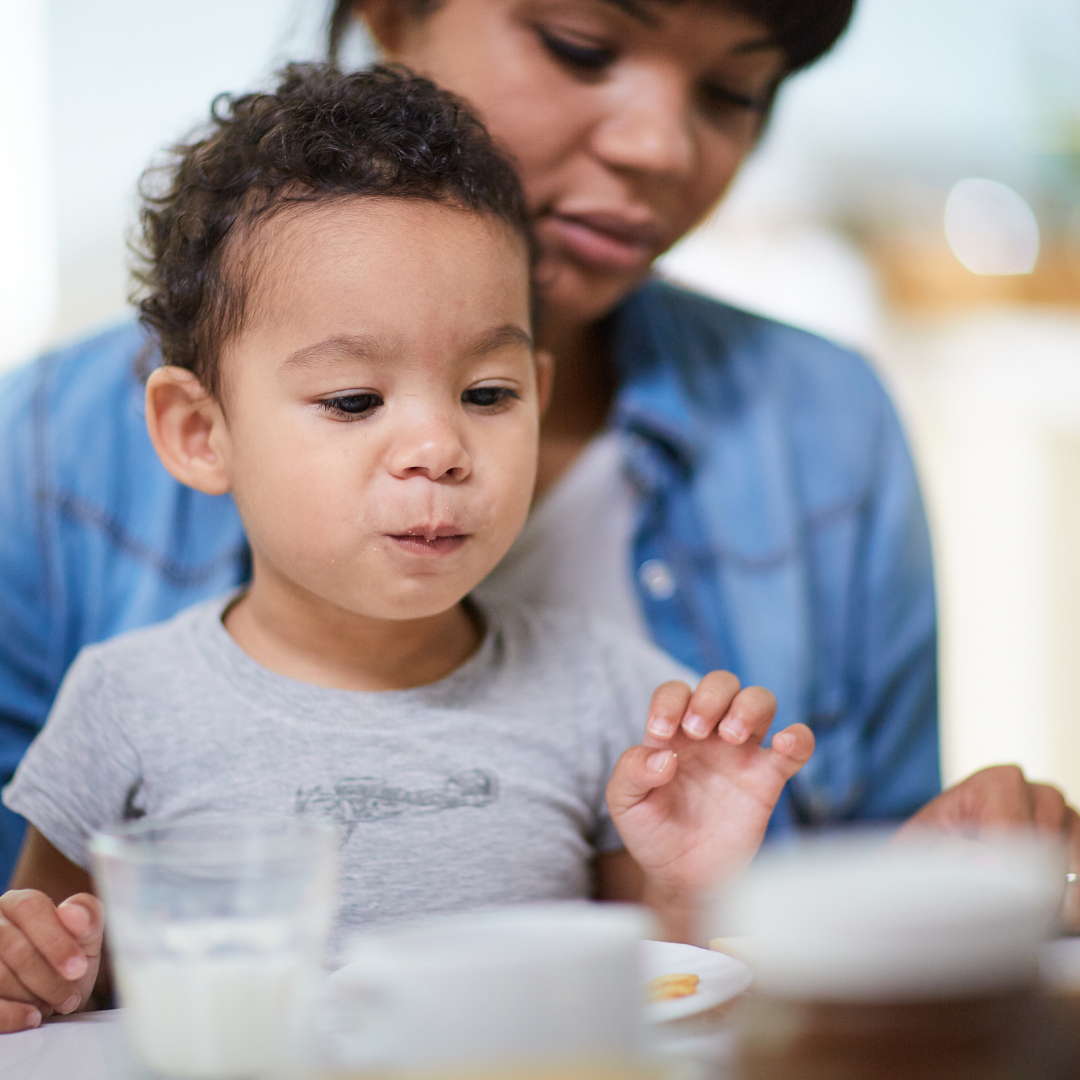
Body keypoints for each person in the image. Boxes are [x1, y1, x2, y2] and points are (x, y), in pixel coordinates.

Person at [0, 0, 1076, 886]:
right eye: (580, 44)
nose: (659, 146)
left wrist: (941, 879)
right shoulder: (52, 467)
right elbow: (46, 946)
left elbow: (711, 967)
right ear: (195, 430)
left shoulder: (825, 433)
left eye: (731, 93)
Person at [0, 64, 814, 1033]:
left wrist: (688, 887)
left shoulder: (611, 694)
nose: (439, 448)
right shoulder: (125, 704)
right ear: (198, 432)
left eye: (487, 394)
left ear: (538, 395)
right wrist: (38, 966)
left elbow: (653, 993)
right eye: (353, 400)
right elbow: (59, 980)